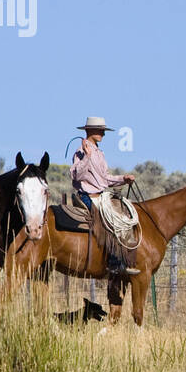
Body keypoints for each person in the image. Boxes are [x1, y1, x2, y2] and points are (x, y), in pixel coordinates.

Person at [69, 117, 139, 277]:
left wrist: (123, 179)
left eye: (103, 131)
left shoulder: (99, 153)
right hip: (87, 195)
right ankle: (114, 263)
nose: (103, 134)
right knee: (107, 221)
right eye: (100, 130)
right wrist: (86, 156)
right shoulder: (80, 152)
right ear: (90, 131)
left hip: (100, 195)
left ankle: (124, 259)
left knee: (123, 217)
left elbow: (105, 178)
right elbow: (75, 175)